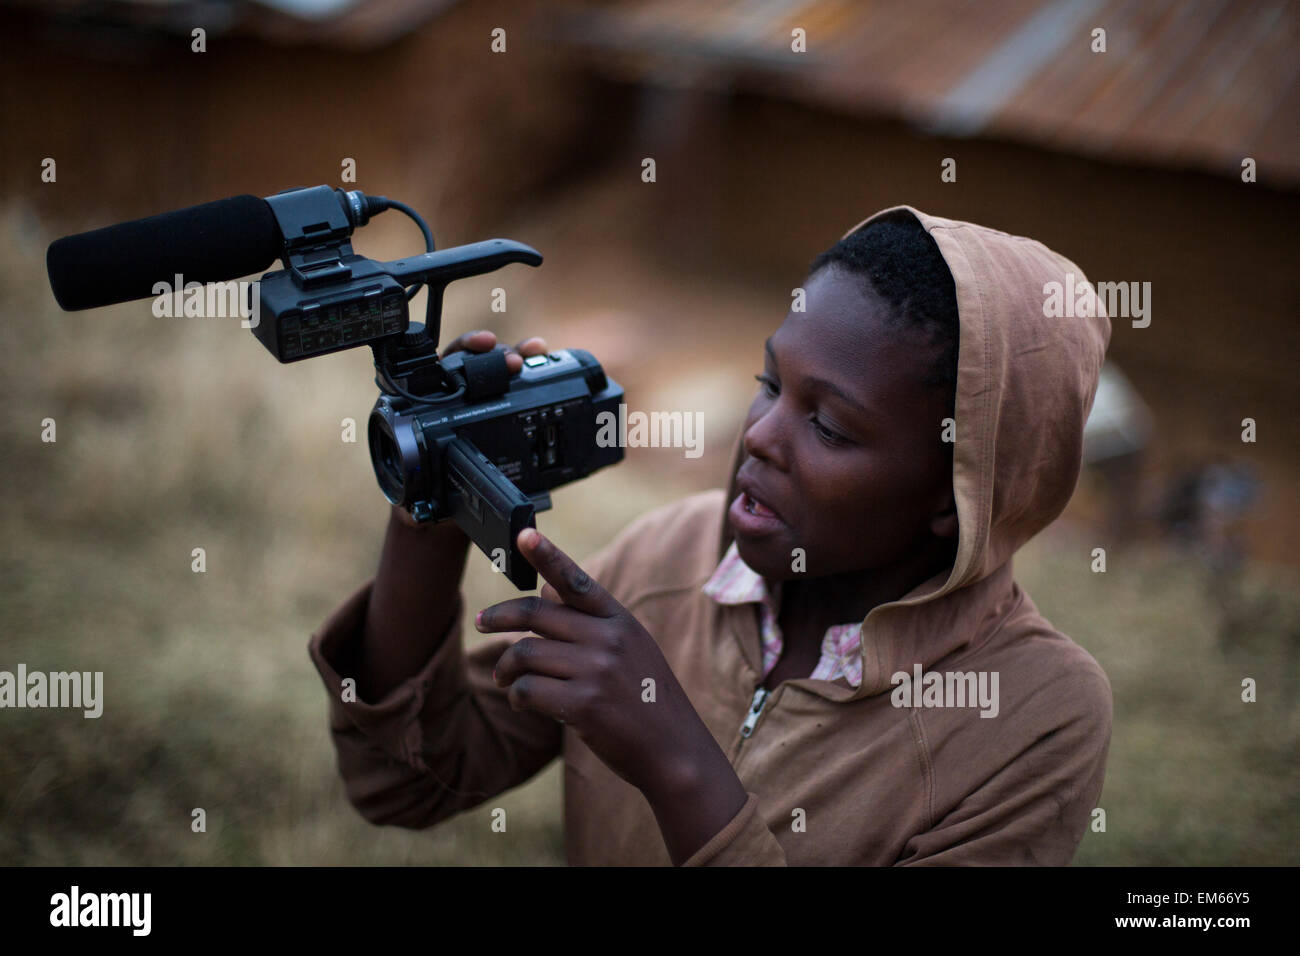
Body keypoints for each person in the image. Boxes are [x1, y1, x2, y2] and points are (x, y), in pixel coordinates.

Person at [307, 206, 1113, 865]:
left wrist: (676, 761)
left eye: (829, 426)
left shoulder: (1036, 715)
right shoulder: (673, 556)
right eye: (769, 384)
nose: (760, 434)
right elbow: (406, 785)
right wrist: (430, 497)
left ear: (957, 495)